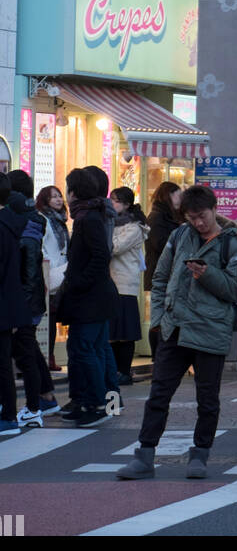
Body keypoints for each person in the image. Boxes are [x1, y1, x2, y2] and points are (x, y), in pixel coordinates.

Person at [117, 184, 237, 480]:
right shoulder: (179, 236)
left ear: (215, 209)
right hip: (175, 329)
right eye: (192, 218)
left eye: (202, 216)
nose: (198, 223)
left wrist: (207, 274)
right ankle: (145, 455)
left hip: (211, 331)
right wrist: (159, 319)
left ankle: (200, 455)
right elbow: (160, 277)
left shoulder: (233, 244)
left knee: (208, 398)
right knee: (159, 394)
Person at [58, 167, 120, 427]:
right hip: (94, 296)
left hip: (91, 297)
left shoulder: (88, 218)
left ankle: (97, 403)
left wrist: (79, 281)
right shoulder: (93, 214)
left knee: (87, 349)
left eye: (67, 189)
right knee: (88, 348)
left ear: (73, 191)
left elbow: (100, 255)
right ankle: (90, 400)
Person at [7, 170, 59, 426]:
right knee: (29, 349)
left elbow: (27, 266)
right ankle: (47, 397)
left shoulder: (24, 223)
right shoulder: (33, 219)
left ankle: (33, 407)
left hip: (24, 298)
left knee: (24, 351)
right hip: (31, 295)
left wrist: (22, 306)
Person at [0, 173, 33, 435]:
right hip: (11, 302)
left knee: (2, 363)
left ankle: (8, 415)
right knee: (4, 362)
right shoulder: (14, 224)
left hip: (3, 303)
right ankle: (8, 413)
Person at [109, 188, 149, 384]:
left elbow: (114, 248)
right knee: (112, 332)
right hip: (109, 283)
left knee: (124, 333)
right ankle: (115, 371)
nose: (112, 204)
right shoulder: (110, 222)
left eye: (115, 201)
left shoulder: (134, 227)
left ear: (126, 204)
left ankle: (124, 371)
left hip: (125, 283)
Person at [145, 181, 182, 357]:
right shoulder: (157, 217)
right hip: (160, 276)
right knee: (159, 319)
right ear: (168, 195)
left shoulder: (174, 217)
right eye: (177, 194)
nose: (180, 198)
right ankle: (157, 357)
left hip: (173, 275)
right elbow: (159, 244)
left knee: (170, 318)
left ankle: (165, 356)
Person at [36, 186, 69, 371]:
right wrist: (47, 265)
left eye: (59, 196)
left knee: (55, 316)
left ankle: (51, 356)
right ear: (44, 200)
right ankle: (47, 357)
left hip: (61, 272)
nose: (58, 199)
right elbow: (41, 245)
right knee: (48, 318)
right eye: (53, 197)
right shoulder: (43, 219)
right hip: (51, 272)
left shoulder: (61, 220)